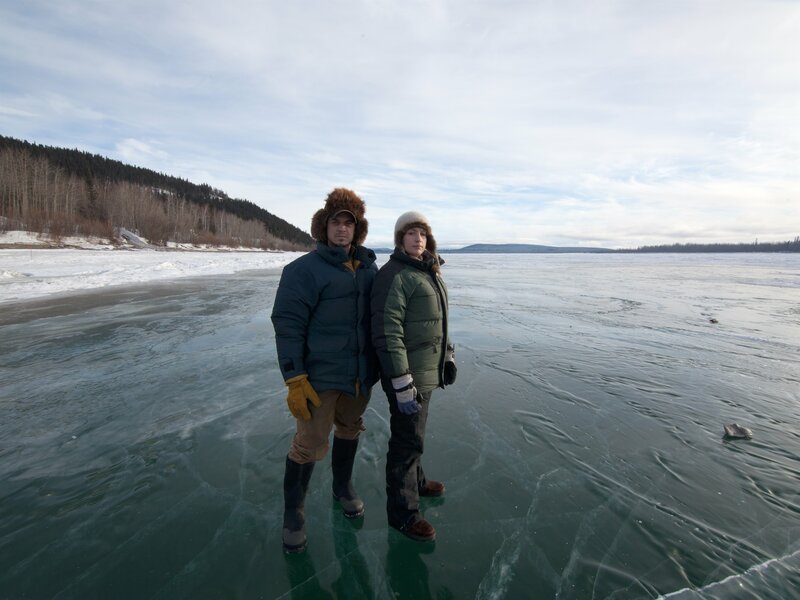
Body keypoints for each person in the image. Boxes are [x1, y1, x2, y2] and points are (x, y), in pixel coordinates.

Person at [271, 188, 379, 554]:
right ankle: (293, 512)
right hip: (320, 377)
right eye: (336, 222)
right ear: (324, 226)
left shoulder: (368, 269)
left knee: (350, 427)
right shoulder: (302, 271)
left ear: (357, 229)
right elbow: (288, 325)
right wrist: (294, 377)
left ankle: (342, 486)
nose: (342, 229)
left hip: (359, 375)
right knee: (307, 444)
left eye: (349, 223)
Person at [371, 211, 457, 542]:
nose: (417, 238)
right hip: (407, 375)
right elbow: (388, 331)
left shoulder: (426, 270)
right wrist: (401, 379)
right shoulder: (395, 274)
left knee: (415, 435)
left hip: (424, 370)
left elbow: (438, 321)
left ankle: (417, 482)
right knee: (406, 442)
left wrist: (447, 354)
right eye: (410, 233)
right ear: (400, 239)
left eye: (422, 233)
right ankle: (403, 514)